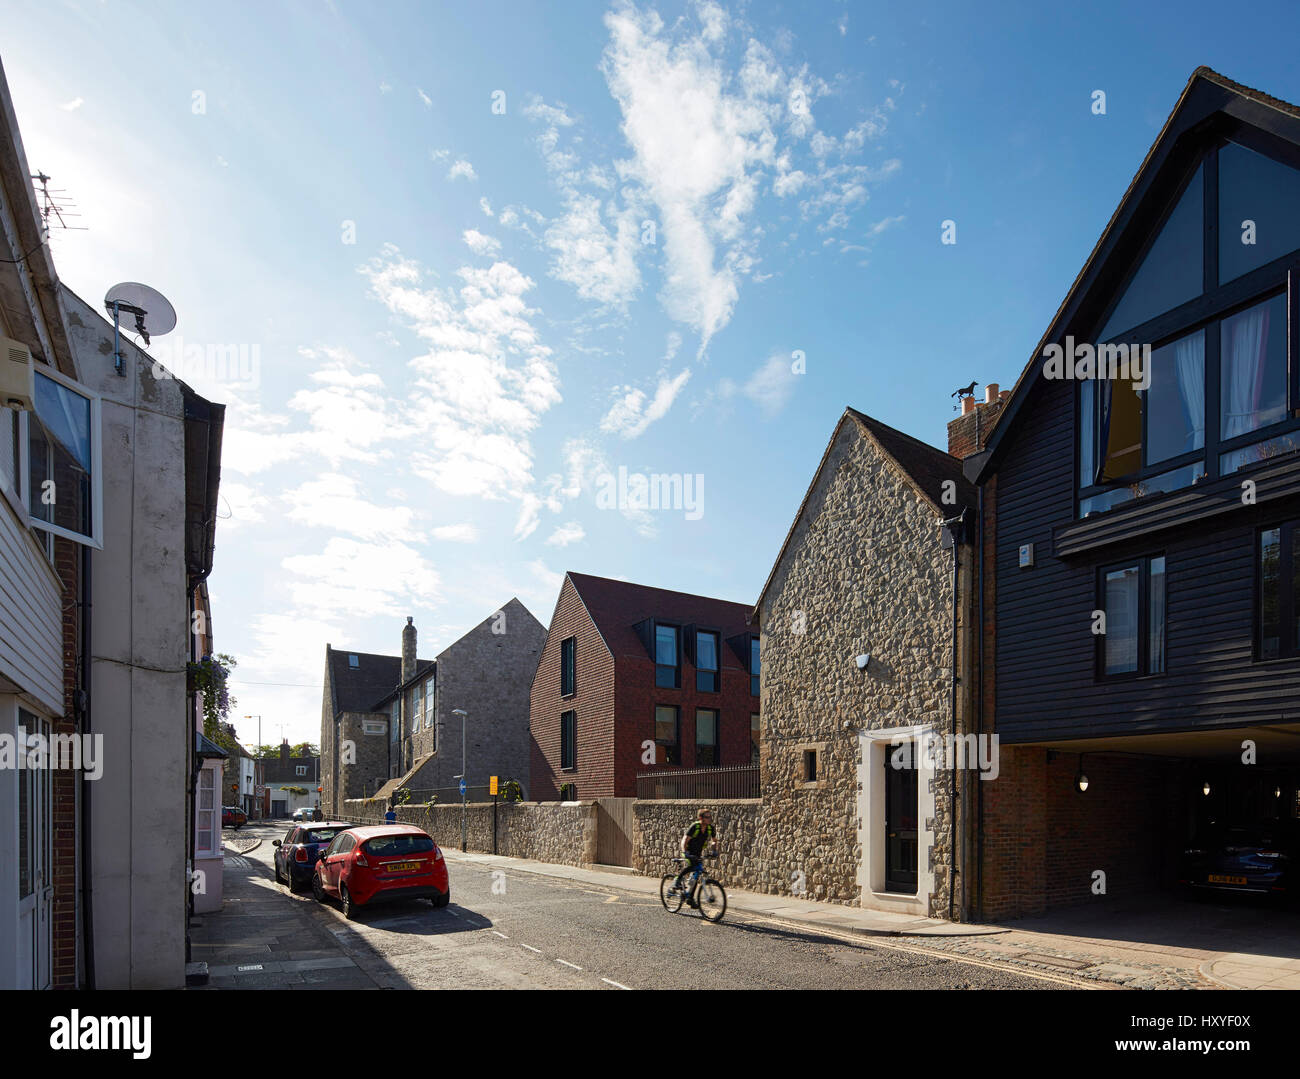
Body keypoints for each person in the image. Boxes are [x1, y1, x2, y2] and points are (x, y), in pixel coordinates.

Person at [673, 809, 718, 906]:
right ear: (701, 818)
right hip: (689, 851)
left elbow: (714, 840)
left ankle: (690, 898)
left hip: (698, 853)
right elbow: (684, 839)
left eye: (710, 817)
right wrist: (685, 852)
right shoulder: (695, 826)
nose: (710, 819)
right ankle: (677, 880)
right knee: (693, 866)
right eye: (707, 817)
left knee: (696, 875)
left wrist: (714, 850)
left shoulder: (710, 828)